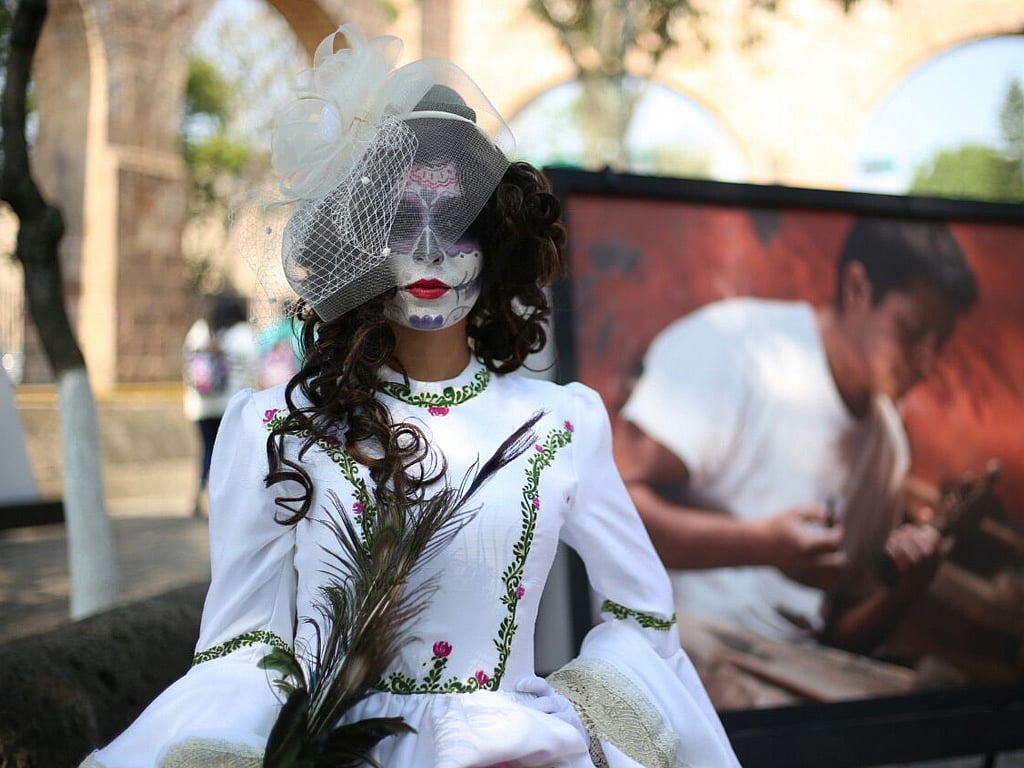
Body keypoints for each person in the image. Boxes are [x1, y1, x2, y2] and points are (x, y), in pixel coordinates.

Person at [82, 24, 740, 768]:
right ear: (359, 247)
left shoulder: (561, 423)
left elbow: (641, 609)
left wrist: (577, 718)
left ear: (497, 246)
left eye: (457, 223)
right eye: (400, 223)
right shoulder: (277, 428)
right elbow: (244, 642)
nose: (429, 248)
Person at [614, 215, 978, 654]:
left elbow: (839, 633)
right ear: (858, 287)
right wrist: (762, 546)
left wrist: (907, 589)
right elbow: (611, 503)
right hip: (671, 653)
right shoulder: (739, 348)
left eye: (938, 343)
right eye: (913, 332)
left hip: (792, 678)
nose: (925, 364)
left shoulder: (888, 450)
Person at [182, 292, 260, 517]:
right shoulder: (243, 334)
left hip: (200, 405)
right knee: (227, 454)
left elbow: (188, 363)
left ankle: (201, 493)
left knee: (207, 450)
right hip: (230, 406)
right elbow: (253, 370)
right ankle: (221, 499)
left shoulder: (199, 330)